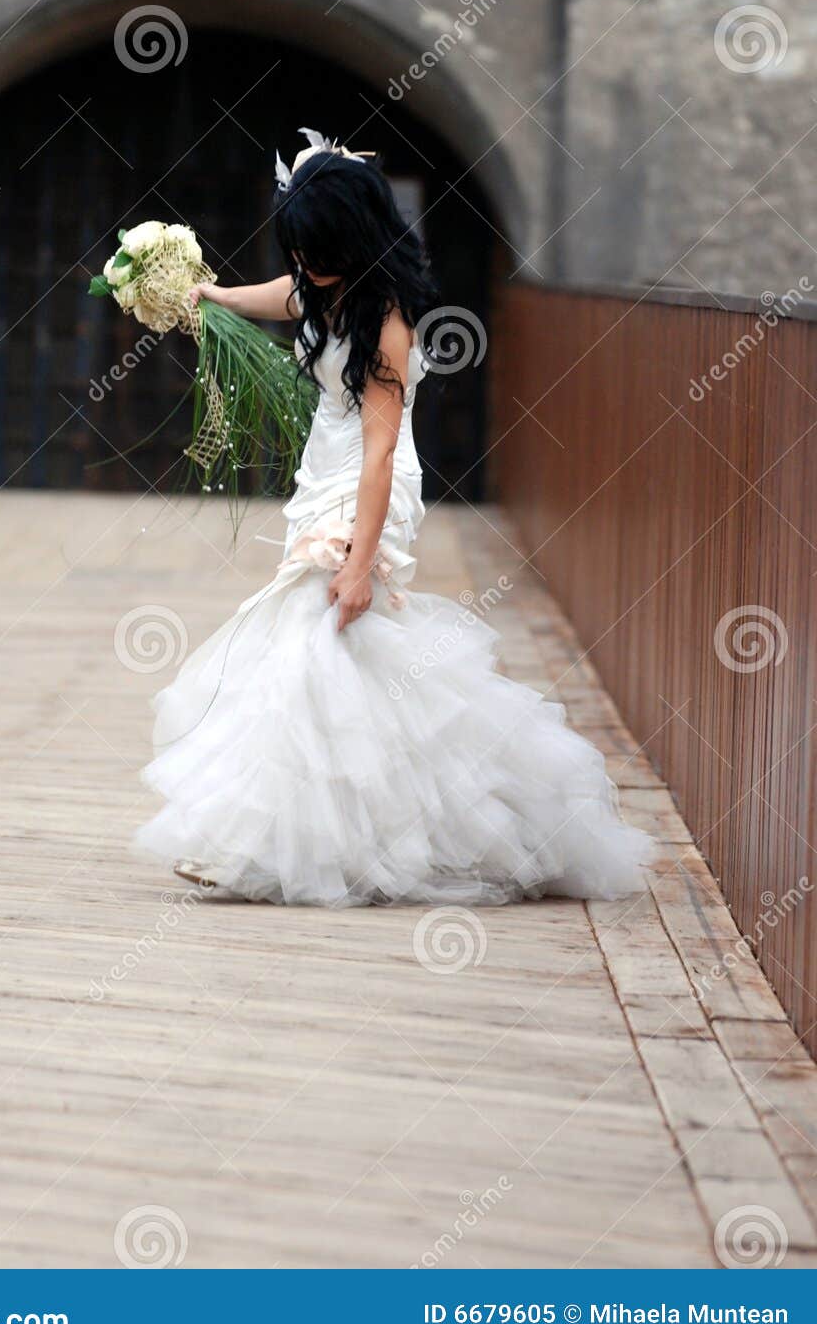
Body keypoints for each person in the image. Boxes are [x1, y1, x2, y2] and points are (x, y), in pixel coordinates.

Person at [136, 131, 654, 906]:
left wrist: (357, 562)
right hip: (323, 471)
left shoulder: (389, 325)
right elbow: (285, 293)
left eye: (320, 252)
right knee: (352, 654)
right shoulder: (323, 283)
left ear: (359, 240)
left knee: (314, 633)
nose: (307, 266)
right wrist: (209, 295)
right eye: (301, 251)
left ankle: (248, 843)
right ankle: (439, 825)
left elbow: (380, 456)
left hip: (368, 484)